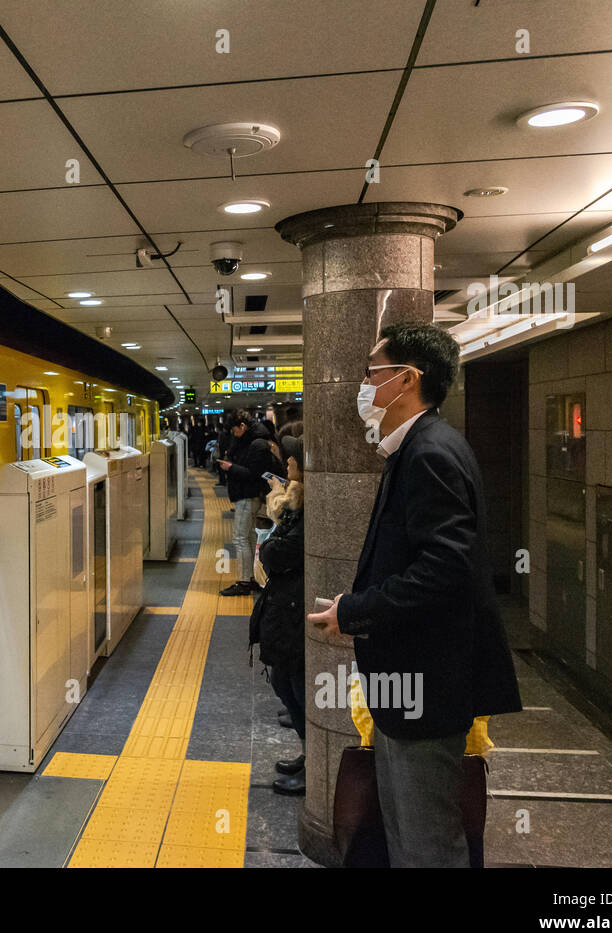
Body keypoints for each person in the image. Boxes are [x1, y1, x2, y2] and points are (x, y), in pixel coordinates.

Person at [307, 322, 521, 868]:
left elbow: (443, 570)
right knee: (406, 832)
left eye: (370, 373)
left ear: (405, 380)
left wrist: (355, 612)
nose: (364, 384)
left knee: (426, 843)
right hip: (415, 683)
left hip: (429, 685)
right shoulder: (421, 447)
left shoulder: (430, 454)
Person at [249, 470, 306, 795]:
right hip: (286, 605)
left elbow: (275, 551)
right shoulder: (296, 506)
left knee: (295, 683)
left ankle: (314, 764)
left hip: (295, 607)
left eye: (291, 463)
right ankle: (307, 754)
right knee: (286, 681)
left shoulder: (306, 511)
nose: (285, 470)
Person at [216, 411, 283, 596]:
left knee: (240, 538)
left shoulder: (256, 443)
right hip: (249, 495)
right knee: (250, 537)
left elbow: (254, 473)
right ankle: (253, 577)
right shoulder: (253, 440)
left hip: (248, 495)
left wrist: (231, 468)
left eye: (234, 431)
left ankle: (245, 581)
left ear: (243, 426)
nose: (233, 434)